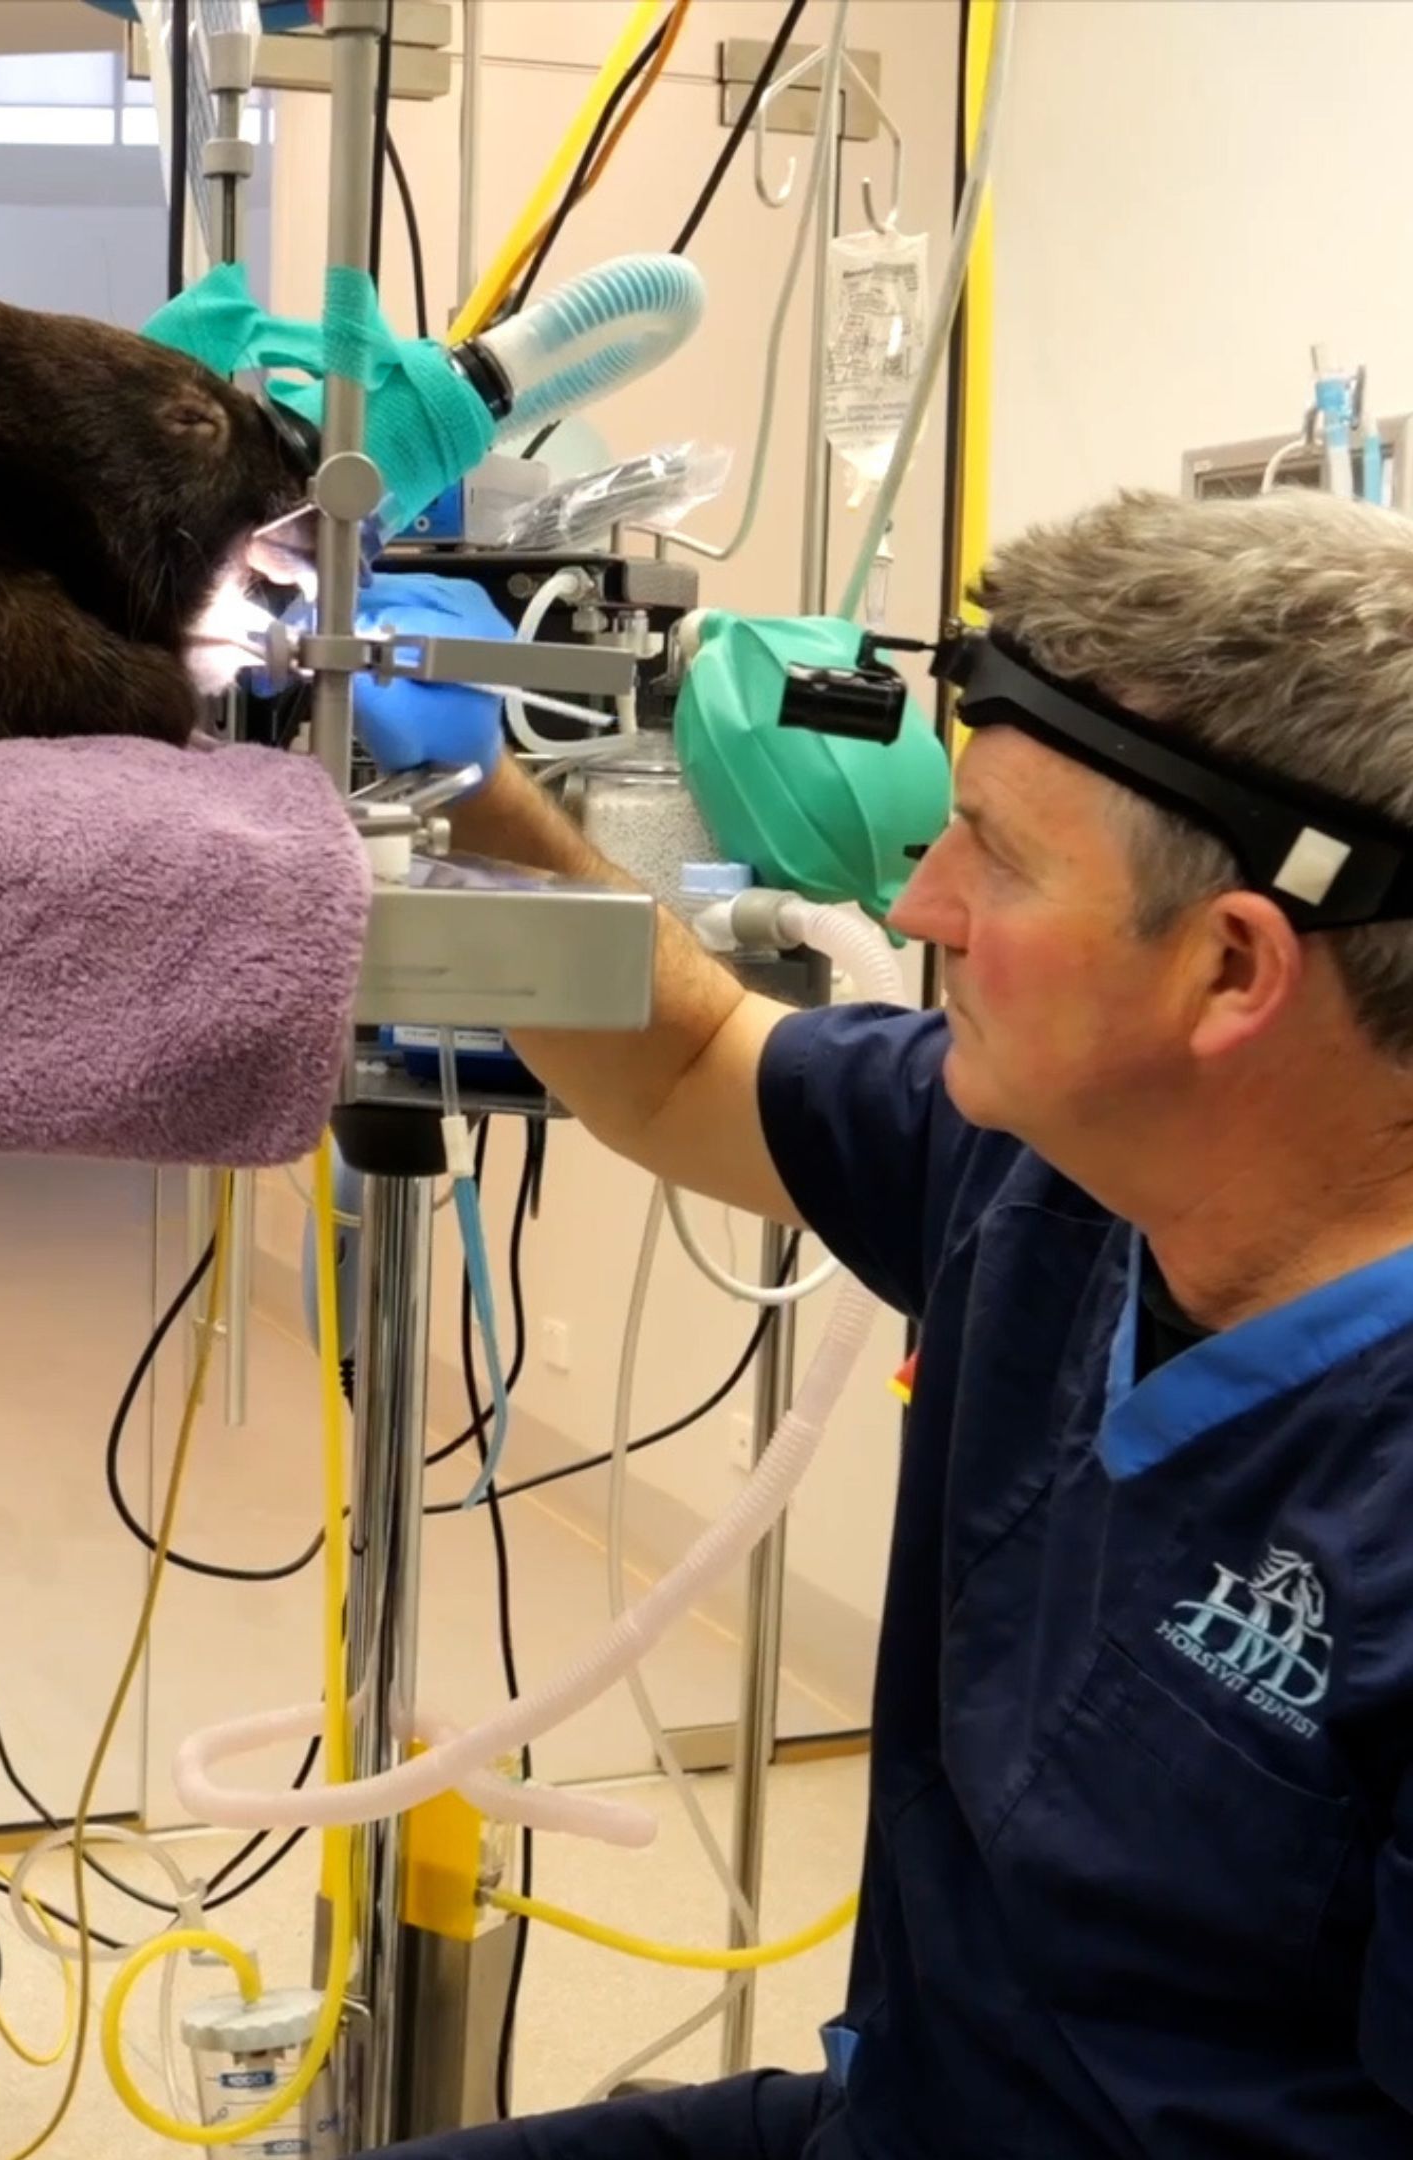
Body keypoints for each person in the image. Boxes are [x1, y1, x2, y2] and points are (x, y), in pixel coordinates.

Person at [361, 490, 1413, 2156]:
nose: (919, 904)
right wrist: (474, 789)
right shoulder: (1036, 1167)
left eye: (992, 850)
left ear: (1232, 971)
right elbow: (697, 1061)